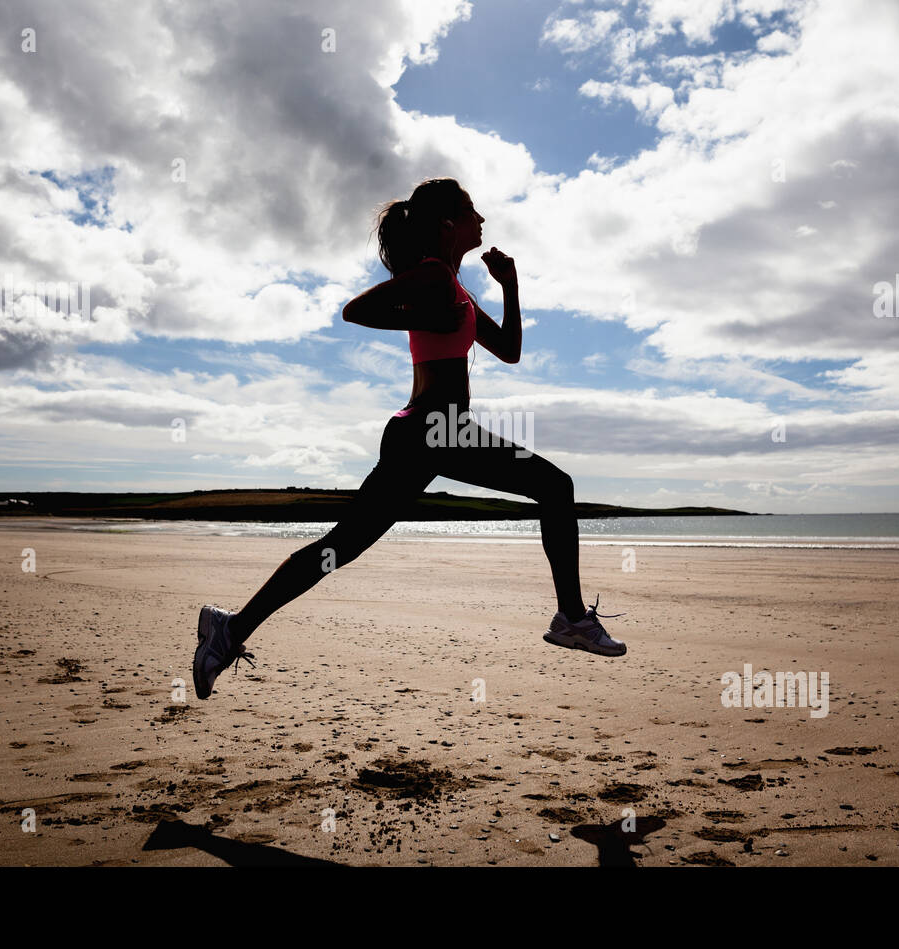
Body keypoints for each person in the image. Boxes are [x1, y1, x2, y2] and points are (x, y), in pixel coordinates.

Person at [193, 177, 625, 699]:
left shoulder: (455, 289)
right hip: (433, 429)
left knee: (339, 547)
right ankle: (571, 618)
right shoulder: (434, 276)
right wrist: (426, 313)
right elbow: (357, 310)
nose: (481, 219)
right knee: (555, 487)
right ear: (447, 223)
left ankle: (231, 628)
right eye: (471, 210)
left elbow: (509, 349)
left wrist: (510, 285)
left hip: (422, 435)